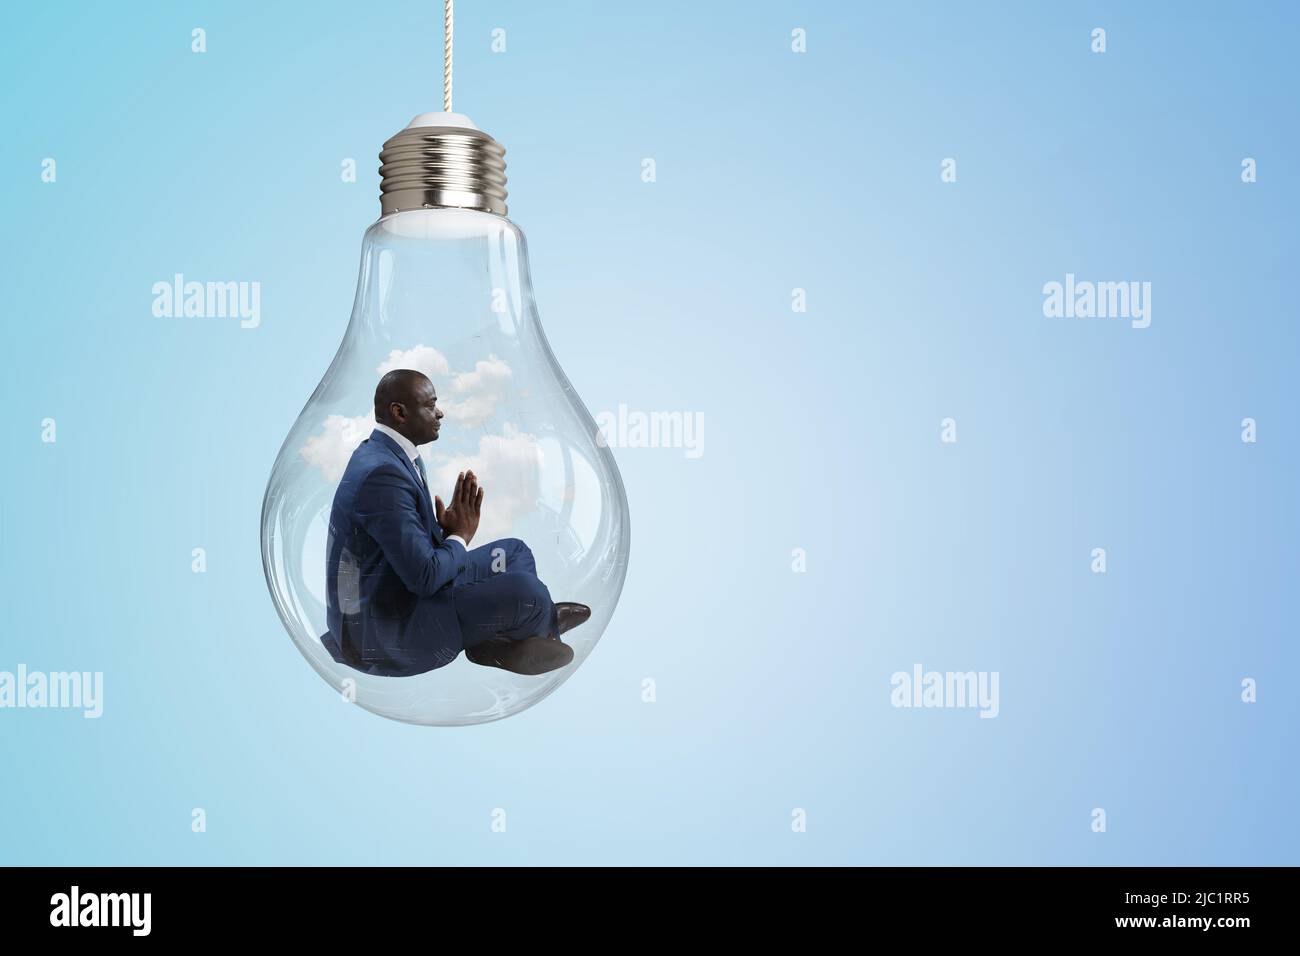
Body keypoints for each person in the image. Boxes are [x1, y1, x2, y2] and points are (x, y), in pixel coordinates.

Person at [321, 368, 590, 677]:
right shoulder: (383, 476)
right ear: (399, 412)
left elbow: (399, 545)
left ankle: (497, 640)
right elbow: (424, 576)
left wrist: (442, 534)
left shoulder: (391, 453)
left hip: (405, 594)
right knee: (526, 591)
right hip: (388, 636)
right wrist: (459, 537)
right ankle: (541, 626)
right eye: (431, 404)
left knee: (515, 553)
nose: (440, 412)